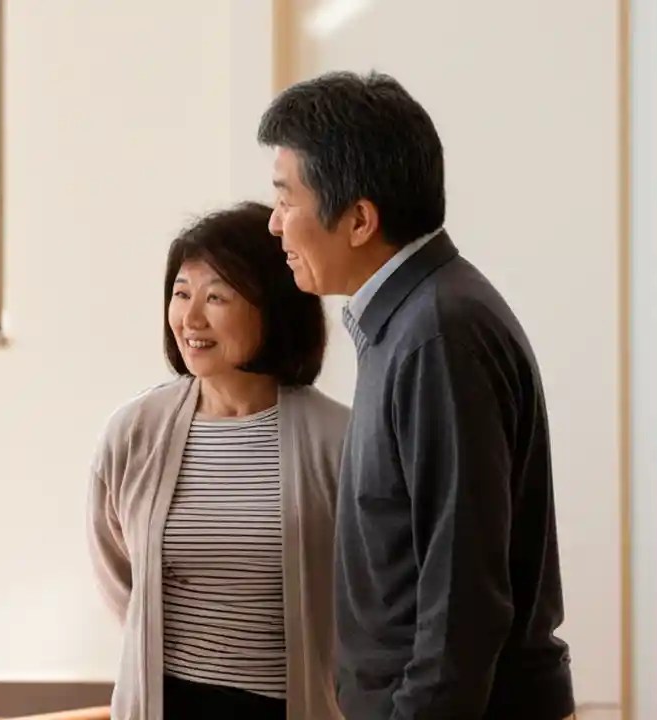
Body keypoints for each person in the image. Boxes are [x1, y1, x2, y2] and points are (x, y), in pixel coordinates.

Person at [258, 71, 575, 719]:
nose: (274, 224)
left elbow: (463, 596)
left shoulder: (438, 332)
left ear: (359, 219)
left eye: (286, 199)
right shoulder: (411, 319)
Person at [87, 202, 350, 720]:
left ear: (273, 306)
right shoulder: (134, 430)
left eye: (217, 297)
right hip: (165, 702)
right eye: (181, 293)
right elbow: (120, 574)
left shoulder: (340, 439)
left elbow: (367, 596)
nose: (191, 318)